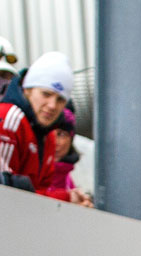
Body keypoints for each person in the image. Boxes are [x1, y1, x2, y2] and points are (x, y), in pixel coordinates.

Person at [0, 51, 92, 206]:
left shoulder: (48, 135)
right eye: (46, 94)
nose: (52, 105)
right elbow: (8, 196)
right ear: (27, 90)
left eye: (60, 99)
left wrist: (69, 199)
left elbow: (37, 197)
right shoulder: (10, 119)